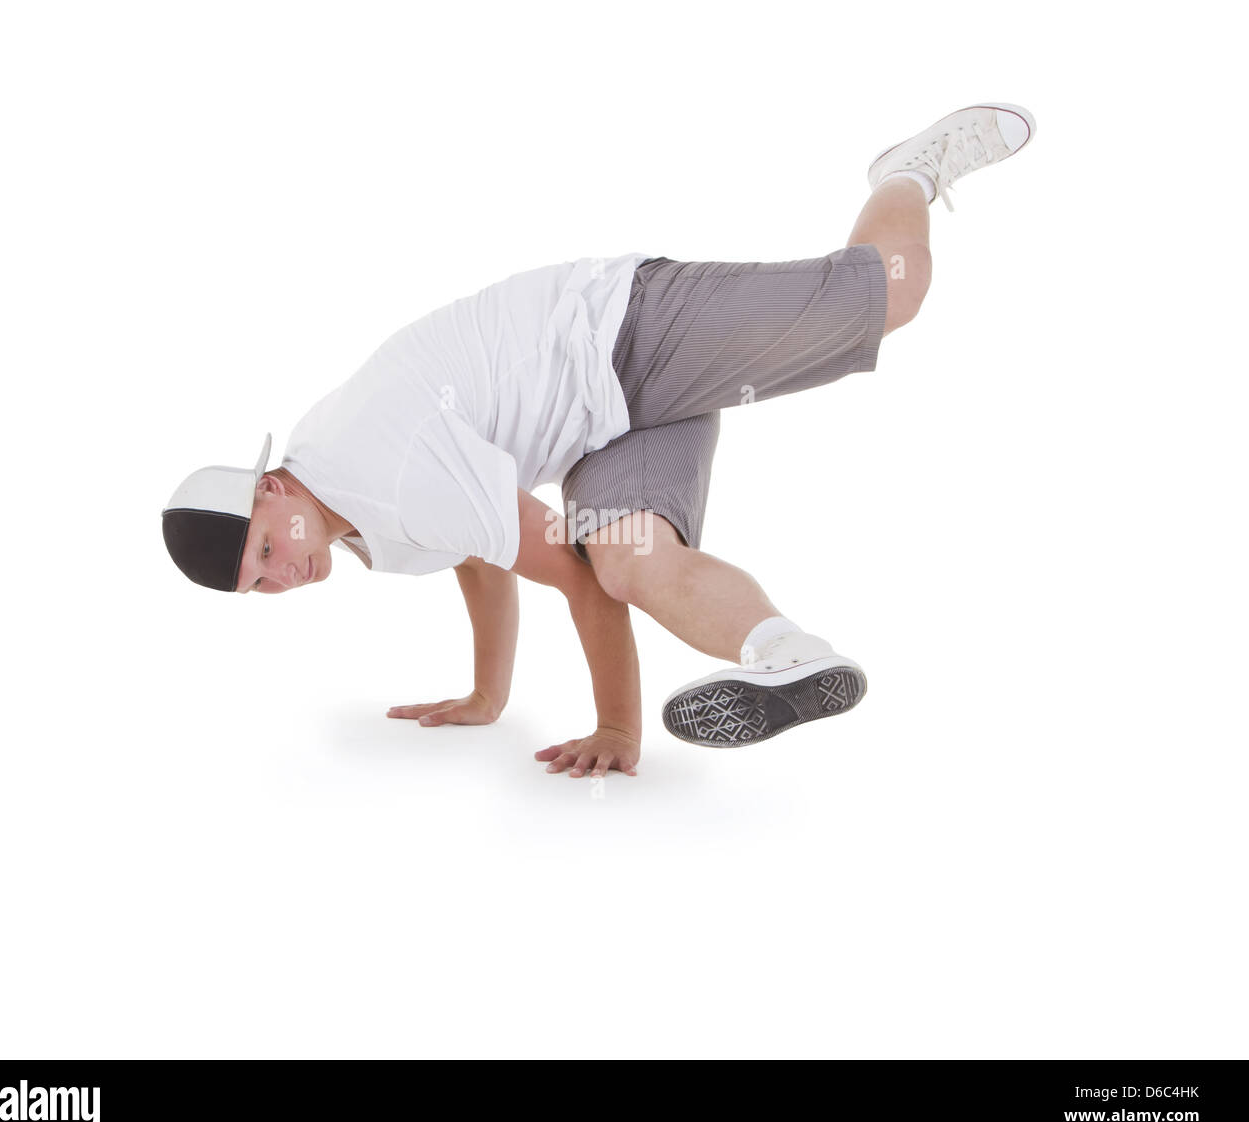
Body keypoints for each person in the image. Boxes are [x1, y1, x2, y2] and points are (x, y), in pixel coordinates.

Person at [163, 103, 1036, 779]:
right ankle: (790, 655)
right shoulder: (344, 506)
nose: (285, 574)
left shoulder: (376, 470)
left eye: (269, 548)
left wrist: (617, 728)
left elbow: (555, 573)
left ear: (269, 489)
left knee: (896, 293)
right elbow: (477, 549)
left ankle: (908, 172)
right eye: (262, 583)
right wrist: (489, 694)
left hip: (629, 331)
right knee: (630, 560)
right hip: (608, 426)